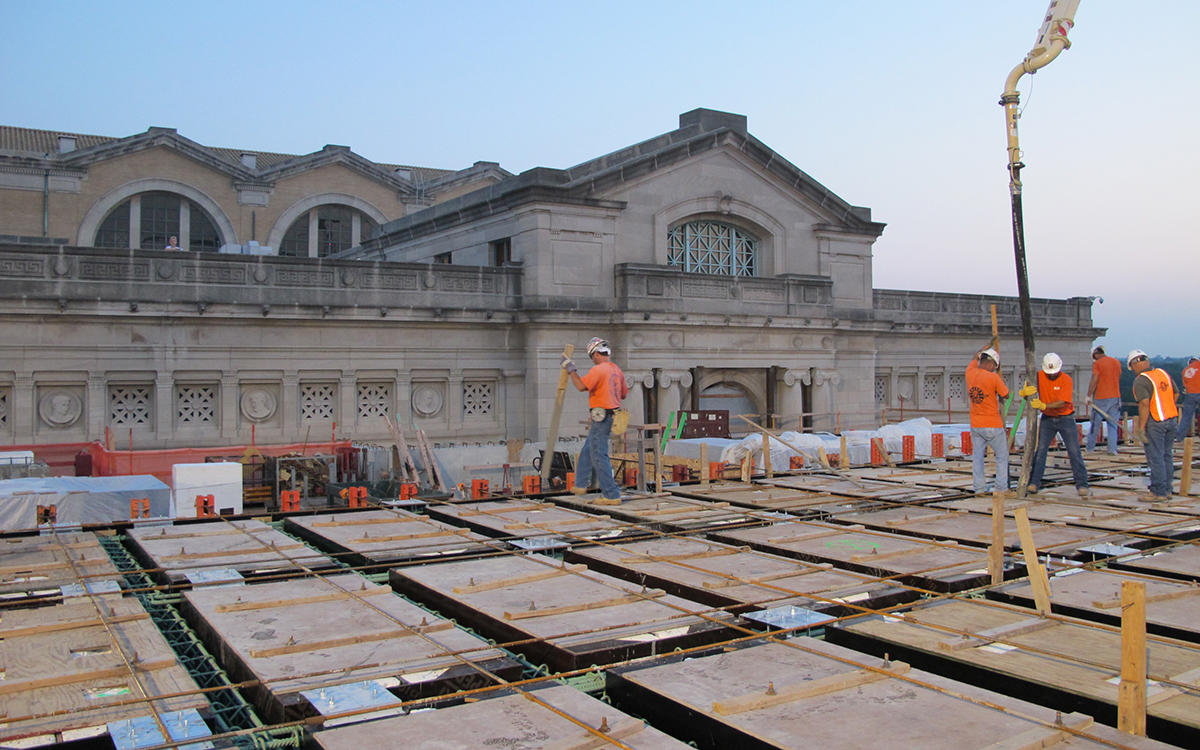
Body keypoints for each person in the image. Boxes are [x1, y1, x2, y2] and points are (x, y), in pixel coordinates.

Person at [561, 337, 629, 501]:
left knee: (599, 455)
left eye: (592, 357)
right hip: (610, 414)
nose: (593, 360)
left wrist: (571, 369)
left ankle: (611, 495)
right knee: (588, 448)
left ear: (596, 354)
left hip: (602, 415)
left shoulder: (599, 370)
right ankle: (580, 484)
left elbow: (581, 386)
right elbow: (624, 394)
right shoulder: (616, 370)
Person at [1027, 353, 1090, 497]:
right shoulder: (1039, 376)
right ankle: (1034, 482)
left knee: (1074, 451)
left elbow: (1063, 402)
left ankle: (1082, 484)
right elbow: (1030, 385)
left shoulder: (1066, 379)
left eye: (1054, 373)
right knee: (1041, 450)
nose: (1051, 376)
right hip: (1047, 419)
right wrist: (1026, 390)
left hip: (1065, 418)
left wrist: (1044, 405)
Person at [1128, 349, 1179, 501]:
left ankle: (1158, 492)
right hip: (1171, 419)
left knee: (1155, 457)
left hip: (1156, 422)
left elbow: (1144, 404)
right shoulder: (1162, 373)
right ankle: (1167, 489)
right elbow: (1175, 394)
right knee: (1166, 455)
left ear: (1134, 365)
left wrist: (1141, 427)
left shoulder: (1141, 380)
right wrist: (1167, 407)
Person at [966, 344, 1010, 494]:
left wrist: (985, 347)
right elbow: (1006, 394)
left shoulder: (969, 372)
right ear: (991, 363)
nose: (994, 369)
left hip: (976, 424)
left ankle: (979, 489)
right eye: (995, 366)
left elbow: (974, 357)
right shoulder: (994, 377)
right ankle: (1001, 488)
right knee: (1002, 457)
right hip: (993, 424)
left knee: (978, 458)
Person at [1085, 345, 1122, 455]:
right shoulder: (1116, 362)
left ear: (1096, 354)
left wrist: (1088, 395)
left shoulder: (1097, 363)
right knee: (1113, 425)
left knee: (1095, 424)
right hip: (1116, 397)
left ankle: (1090, 448)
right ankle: (1112, 449)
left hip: (1101, 398)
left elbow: (1095, 379)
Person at [1176, 356, 1200, 442]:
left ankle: (1180, 437)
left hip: (1190, 395)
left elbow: (1185, 385)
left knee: (1186, 417)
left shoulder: (1185, 371)